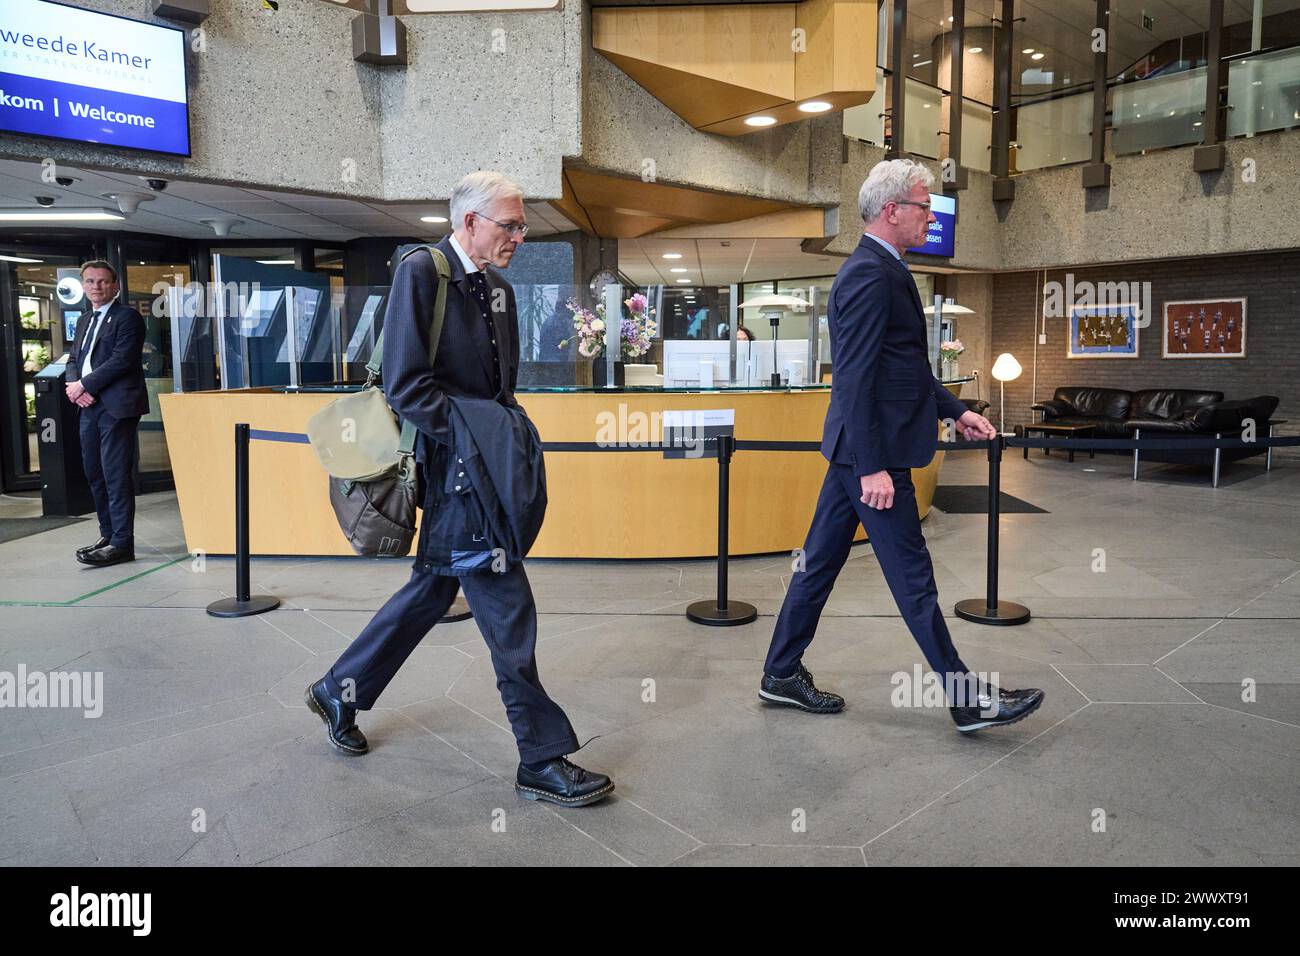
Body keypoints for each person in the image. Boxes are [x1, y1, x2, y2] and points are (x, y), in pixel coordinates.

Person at [306, 171, 613, 807]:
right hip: (459, 477)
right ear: (469, 222)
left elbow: (500, 391)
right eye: (510, 225)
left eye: (522, 226)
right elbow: (405, 386)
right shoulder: (421, 271)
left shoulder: (497, 288)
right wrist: (477, 436)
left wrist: (506, 432)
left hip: (477, 474)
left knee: (428, 594)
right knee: (508, 610)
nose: (519, 237)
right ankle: (542, 756)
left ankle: (341, 690)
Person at [759, 159, 1044, 732]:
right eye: (924, 205)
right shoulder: (870, 274)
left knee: (817, 564)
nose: (930, 216)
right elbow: (857, 377)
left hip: (857, 454)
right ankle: (968, 700)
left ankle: (780, 673)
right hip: (873, 457)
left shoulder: (882, 270)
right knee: (913, 578)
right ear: (893, 211)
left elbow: (904, 368)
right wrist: (872, 468)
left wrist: (957, 409)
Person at [65, 260, 149, 568]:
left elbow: (121, 360)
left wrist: (84, 384)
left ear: (114, 285)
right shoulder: (86, 319)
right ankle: (107, 535)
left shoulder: (127, 317)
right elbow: (74, 357)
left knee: (115, 475)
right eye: (90, 281)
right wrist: (75, 385)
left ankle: (122, 543)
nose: (96, 286)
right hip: (89, 404)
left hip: (117, 406)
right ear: (84, 286)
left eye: (102, 281)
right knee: (94, 473)